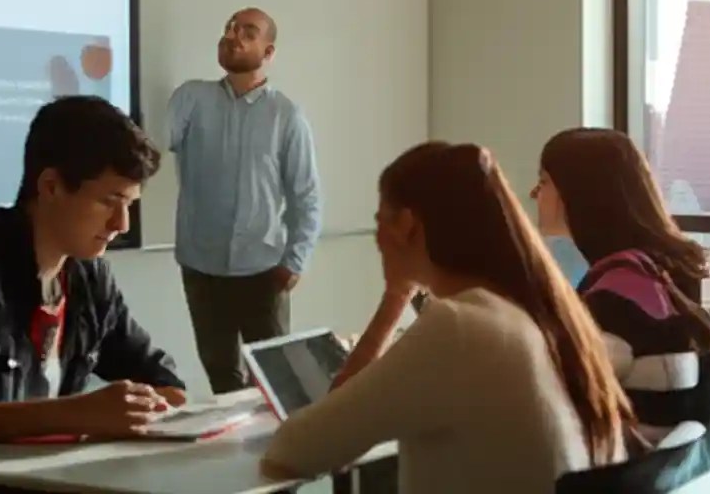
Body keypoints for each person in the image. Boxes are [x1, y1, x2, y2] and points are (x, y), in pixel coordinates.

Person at [261, 143, 631, 493]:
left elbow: (299, 448)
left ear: (407, 225)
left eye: (380, 220)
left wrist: (394, 295)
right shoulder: (537, 314)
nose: (376, 237)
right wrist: (399, 294)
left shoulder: (459, 327)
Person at [0, 97, 185, 466]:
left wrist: (149, 405)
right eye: (110, 200)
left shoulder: (90, 277)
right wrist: (72, 413)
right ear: (50, 186)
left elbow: (164, 381)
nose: (122, 224)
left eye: (129, 204)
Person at [168, 7, 322, 394]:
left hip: (264, 269)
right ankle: (234, 453)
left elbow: (306, 196)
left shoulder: (286, 115)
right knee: (222, 375)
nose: (233, 35)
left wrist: (295, 259)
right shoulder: (191, 98)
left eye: (247, 32)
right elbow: (152, 147)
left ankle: (275, 452)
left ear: (268, 52)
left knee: (274, 380)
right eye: (229, 28)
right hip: (202, 267)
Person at [533, 128, 710, 424]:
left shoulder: (616, 295)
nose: (533, 194)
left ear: (580, 195)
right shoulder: (658, 271)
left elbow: (563, 390)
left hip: (622, 460)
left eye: (543, 182)